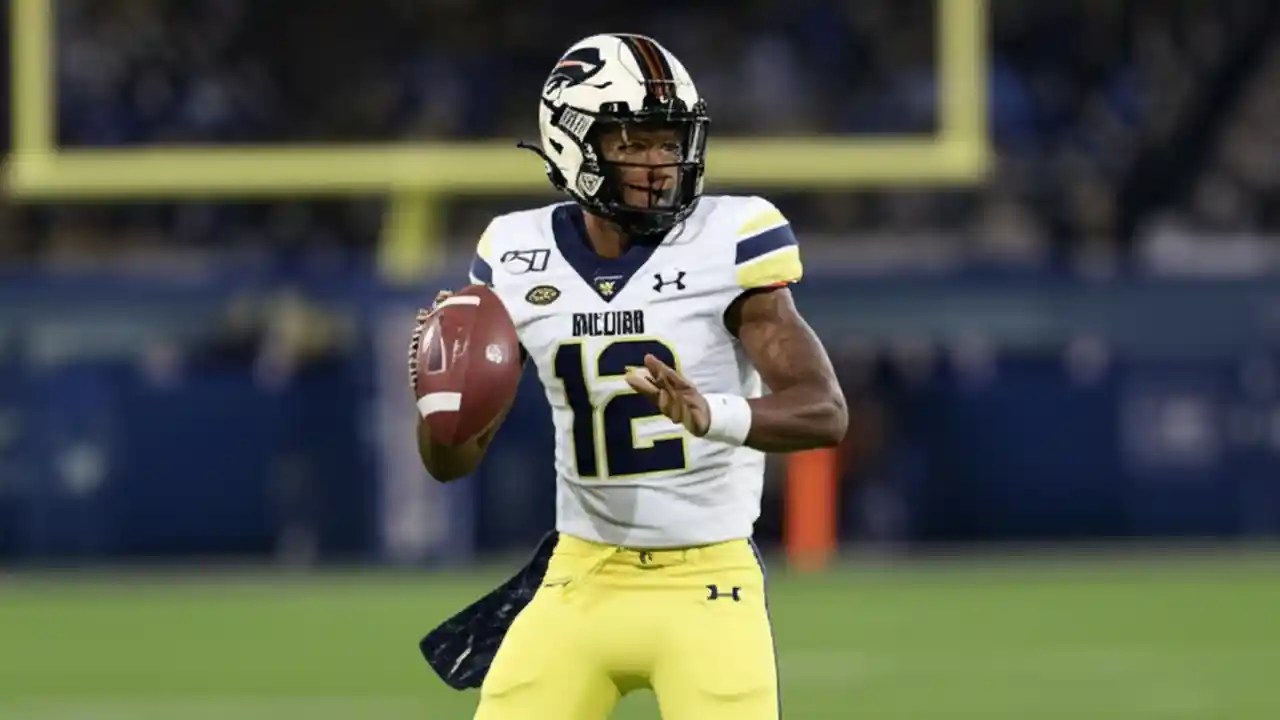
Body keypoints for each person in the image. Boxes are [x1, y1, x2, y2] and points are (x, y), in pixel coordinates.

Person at [412, 33, 848, 720]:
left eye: (668, 142)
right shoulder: (513, 252)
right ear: (569, 143)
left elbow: (824, 411)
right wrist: (442, 397)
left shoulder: (731, 237)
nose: (659, 163)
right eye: (632, 143)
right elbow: (450, 464)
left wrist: (716, 415)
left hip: (708, 586)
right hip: (578, 581)